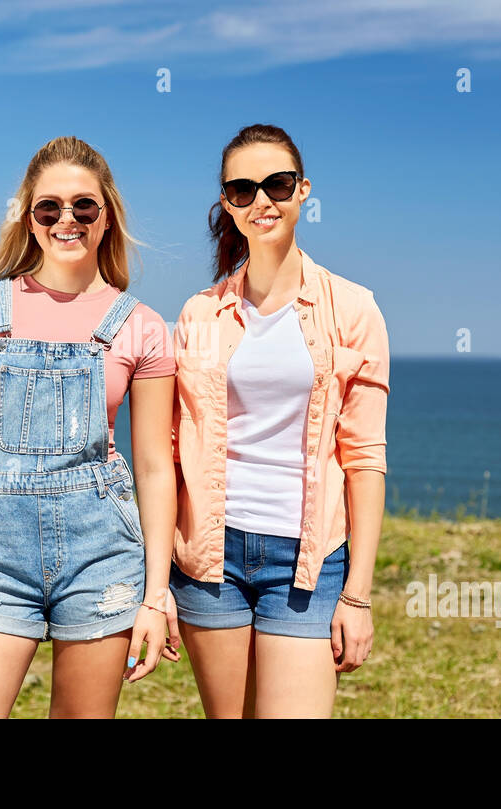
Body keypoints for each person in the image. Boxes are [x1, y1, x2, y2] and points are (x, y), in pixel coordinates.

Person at [0, 136, 178, 718]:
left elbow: (154, 466)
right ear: (30, 218)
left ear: (106, 215)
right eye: (50, 208)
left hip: (103, 558)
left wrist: (155, 596)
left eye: (83, 206)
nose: (68, 219)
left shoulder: (140, 326)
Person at [170, 123, 390, 717]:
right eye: (241, 189)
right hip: (209, 557)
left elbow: (364, 458)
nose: (260, 200)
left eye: (277, 184)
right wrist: (153, 590)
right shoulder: (199, 313)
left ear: (303, 191)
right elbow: (168, 452)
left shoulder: (353, 307)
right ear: (227, 202)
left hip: (310, 563)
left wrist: (359, 597)